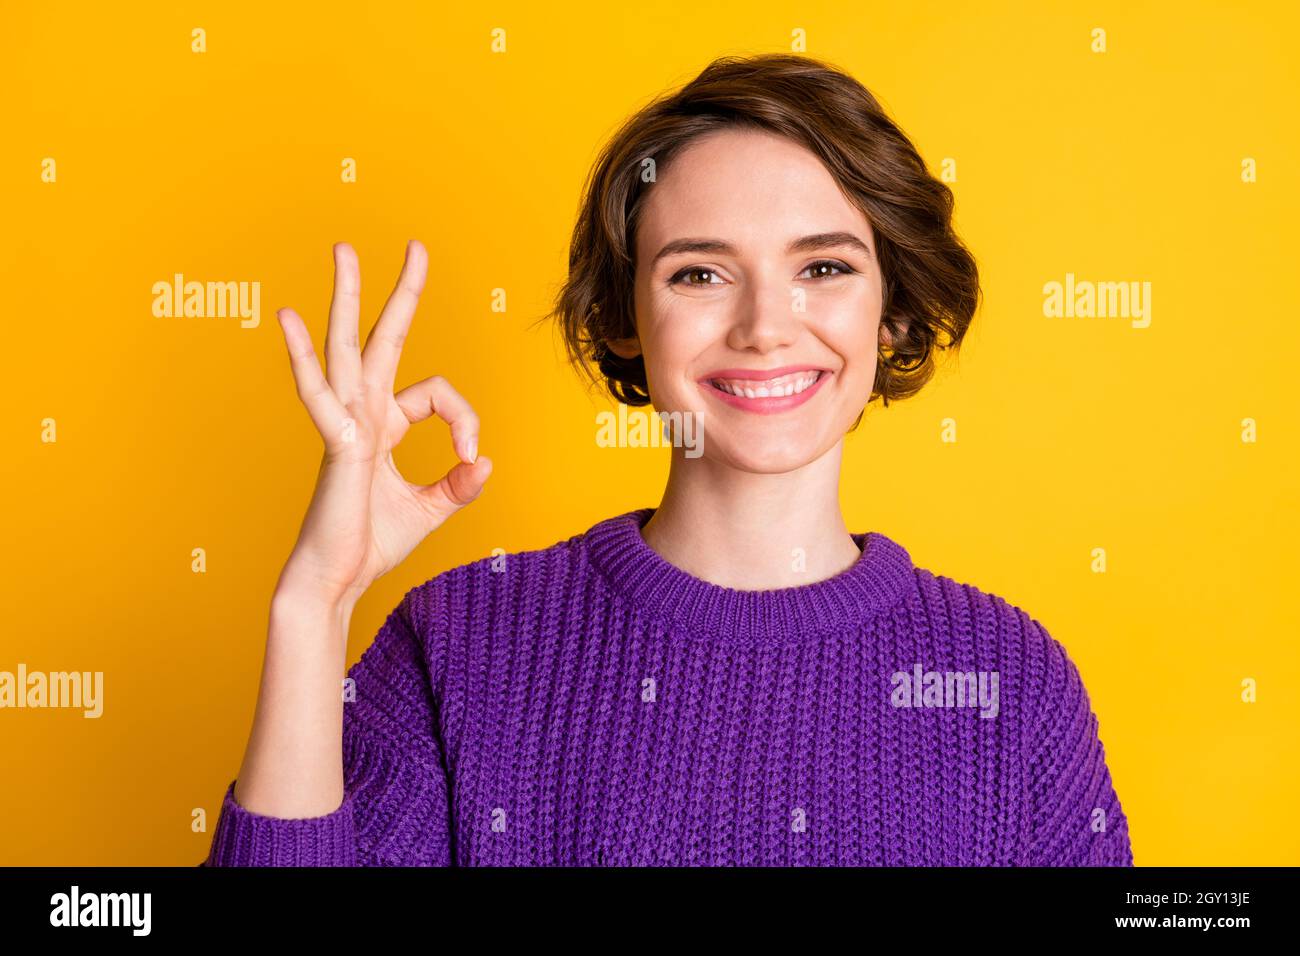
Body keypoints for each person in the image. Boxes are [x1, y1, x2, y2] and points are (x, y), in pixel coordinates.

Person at [204, 53, 1132, 866]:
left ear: (892, 313)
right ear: (622, 319)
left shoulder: (1010, 679)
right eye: (699, 272)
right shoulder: (457, 643)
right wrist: (313, 607)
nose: (766, 327)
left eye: (824, 268)